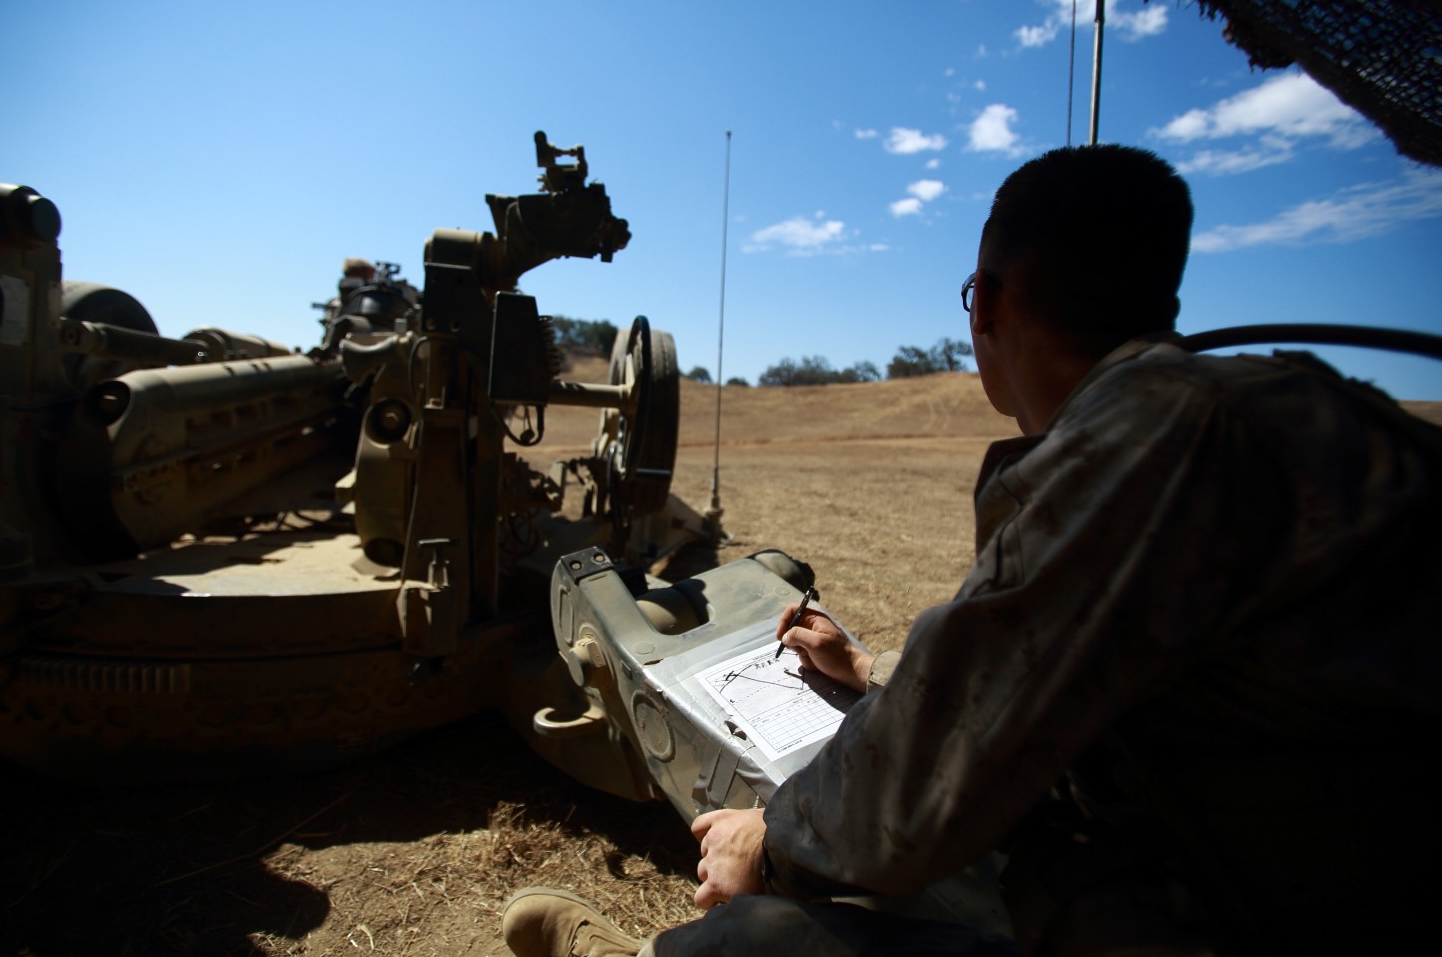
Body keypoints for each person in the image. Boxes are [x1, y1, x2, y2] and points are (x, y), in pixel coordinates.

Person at [501, 144, 1439, 956]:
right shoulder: (1294, 410)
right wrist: (869, 672)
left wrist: (770, 840)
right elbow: (1073, 684)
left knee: (754, 943)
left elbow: (910, 797)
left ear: (986, 299)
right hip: (1259, 865)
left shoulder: (1152, 441)